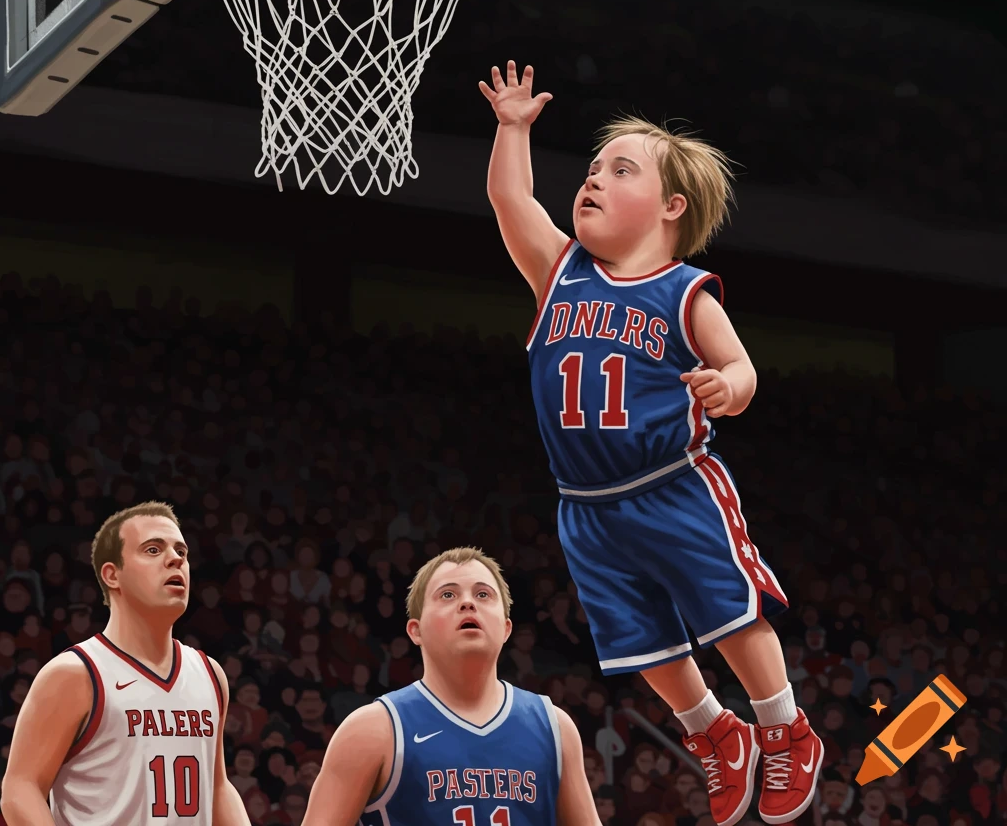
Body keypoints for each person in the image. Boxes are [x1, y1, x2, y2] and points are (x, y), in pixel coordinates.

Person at [481, 62, 822, 826]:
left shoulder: (683, 291)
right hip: (587, 506)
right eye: (594, 167)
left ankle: (783, 727)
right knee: (640, 642)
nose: (594, 179)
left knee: (728, 613)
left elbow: (742, 366)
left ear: (670, 207)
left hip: (674, 483)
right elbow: (511, 198)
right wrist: (512, 130)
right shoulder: (558, 270)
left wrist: (729, 388)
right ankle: (715, 733)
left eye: (620, 169)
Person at [306, 545, 597, 825]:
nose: (468, 603)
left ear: (506, 628)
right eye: (447, 594)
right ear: (416, 631)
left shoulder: (555, 727)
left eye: (483, 594)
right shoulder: (372, 729)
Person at [0, 501, 249, 826]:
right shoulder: (76, 673)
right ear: (112, 574)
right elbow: (20, 789)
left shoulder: (210, 674)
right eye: (153, 549)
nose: (176, 559)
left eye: (181, 551)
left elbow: (216, 788)